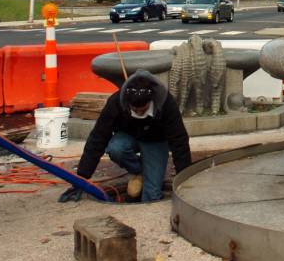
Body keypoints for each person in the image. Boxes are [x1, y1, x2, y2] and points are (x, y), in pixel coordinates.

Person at [59, 70, 191, 203]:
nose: (139, 113)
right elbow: (98, 137)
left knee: (151, 196)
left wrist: (185, 177)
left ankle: (149, 175)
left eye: (143, 110)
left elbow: (179, 141)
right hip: (128, 137)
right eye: (135, 110)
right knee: (116, 148)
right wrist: (81, 179)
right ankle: (139, 171)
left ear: (151, 100)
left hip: (156, 140)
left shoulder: (166, 103)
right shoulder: (116, 102)